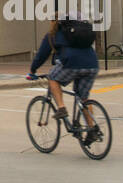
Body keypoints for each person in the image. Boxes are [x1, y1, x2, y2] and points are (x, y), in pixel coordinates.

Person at [27, 13, 101, 141]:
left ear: (53, 22)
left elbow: (41, 56)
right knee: (83, 98)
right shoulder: (77, 32)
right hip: (92, 64)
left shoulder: (53, 35)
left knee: (52, 78)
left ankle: (61, 108)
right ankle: (92, 129)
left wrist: (32, 71)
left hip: (72, 64)